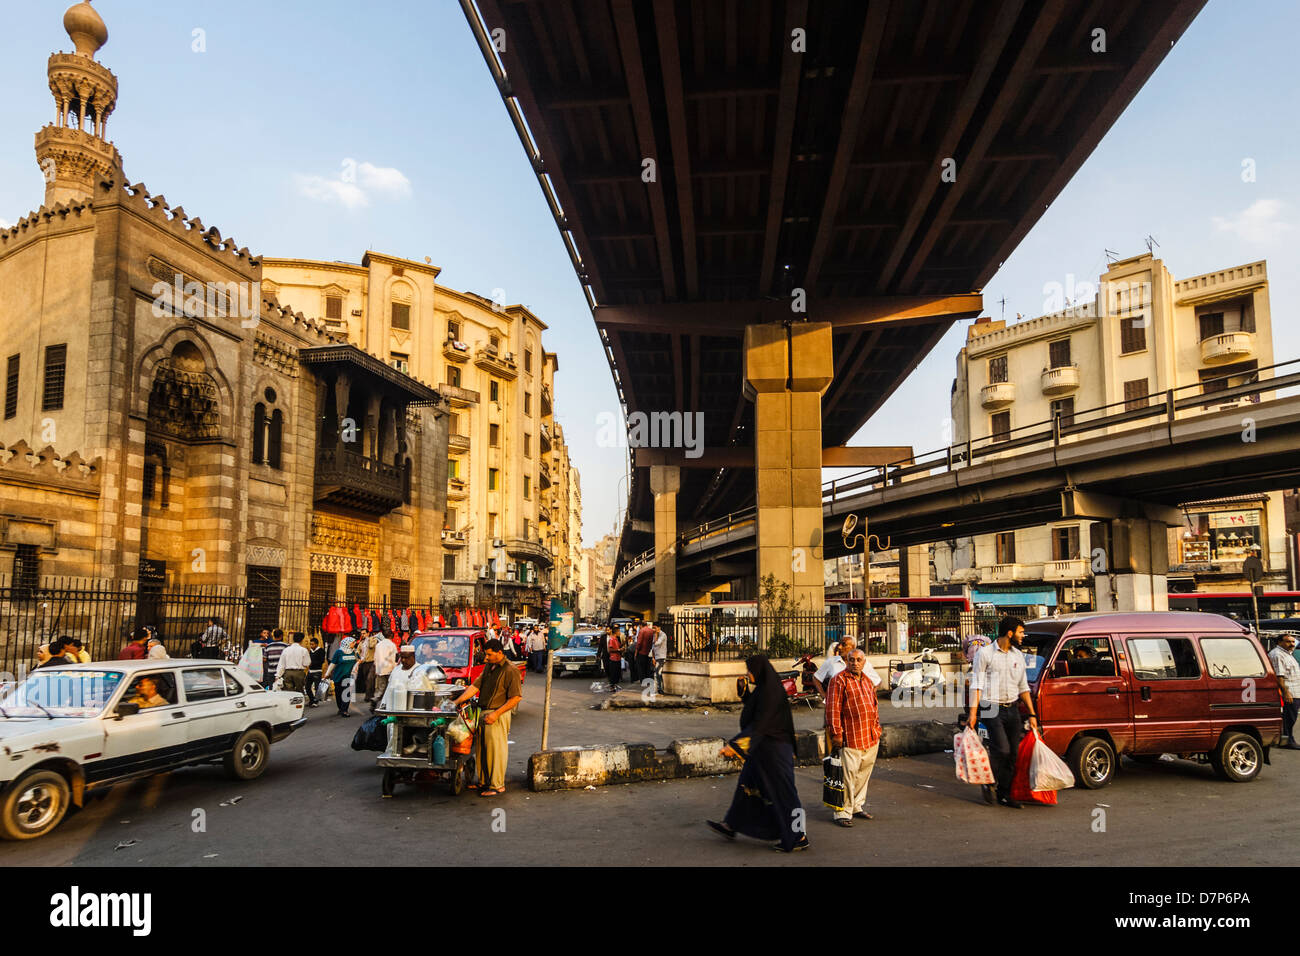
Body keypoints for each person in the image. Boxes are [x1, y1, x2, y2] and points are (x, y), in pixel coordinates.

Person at [706, 655, 808, 852]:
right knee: (746, 786)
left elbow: (760, 725)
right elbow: (756, 712)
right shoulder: (764, 689)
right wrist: (745, 694)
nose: (747, 674)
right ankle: (731, 825)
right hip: (762, 750)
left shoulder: (770, 692)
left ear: (759, 670)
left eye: (749, 670)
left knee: (785, 793)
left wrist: (735, 746)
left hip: (775, 751)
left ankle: (798, 836)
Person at [967, 616, 1039, 809]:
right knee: (1002, 749)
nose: (1023, 636)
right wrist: (973, 714)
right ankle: (989, 781)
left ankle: (1004, 794)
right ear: (1010, 633)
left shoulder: (1018, 656)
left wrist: (1032, 715)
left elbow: (1023, 687)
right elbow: (977, 685)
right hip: (991, 707)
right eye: (1020, 632)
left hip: (1012, 708)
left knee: (1013, 754)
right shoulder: (985, 654)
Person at [454, 639, 523, 797]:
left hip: (497, 714)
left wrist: (496, 714)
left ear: (499, 652)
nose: (486, 657)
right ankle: (484, 782)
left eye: (489, 655)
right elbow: (475, 686)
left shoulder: (510, 670)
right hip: (484, 713)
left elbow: (516, 698)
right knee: (482, 750)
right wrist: (457, 701)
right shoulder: (489, 666)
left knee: (495, 751)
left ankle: (497, 785)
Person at [825, 649, 883, 827]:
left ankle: (857, 806)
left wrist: (877, 728)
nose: (855, 663)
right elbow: (833, 709)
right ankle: (842, 812)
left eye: (858, 660)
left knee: (863, 774)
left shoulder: (866, 679)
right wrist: (836, 733)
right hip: (850, 736)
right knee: (848, 776)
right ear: (847, 661)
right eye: (851, 660)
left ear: (864, 662)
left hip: (870, 735)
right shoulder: (839, 680)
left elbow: (873, 704)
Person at [1268, 634, 1300, 750]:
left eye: (1293, 642)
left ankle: (1287, 739)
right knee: (1288, 718)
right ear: (1279, 642)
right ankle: (1287, 741)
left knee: (1291, 717)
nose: (1292, 644)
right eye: (1288, 642)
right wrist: (1286, 692)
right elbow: (1279, 676)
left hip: (1295, 691)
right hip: (1289, 692)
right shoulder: (1277, 654)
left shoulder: (1287, 654)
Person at [322, 637, 359, 717]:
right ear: (347, 643)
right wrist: (327, 673)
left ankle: (345, 710)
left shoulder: (355, 652)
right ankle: (341, 708)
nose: (354, 644)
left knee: (347, 693)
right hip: (338, 676)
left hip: (349, 676)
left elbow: (358, 660)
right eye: (352, 643)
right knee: (338, 694)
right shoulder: (339, 652)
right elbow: (333, 664)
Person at [372, 630, 397, 713]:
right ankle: (386, 705)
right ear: (391, 636)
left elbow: (375, 657)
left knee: (381, 688)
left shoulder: (379, 645)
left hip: (380, 669)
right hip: (389, 669)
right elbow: (394, 659)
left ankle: (375, 699)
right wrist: (395, 668)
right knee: (390, 687)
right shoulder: (392, 645)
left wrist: (376, 668)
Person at [357, 630, 378, 703]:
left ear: (368, 633)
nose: (363, 635)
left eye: (364, 633)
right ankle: (370, 695)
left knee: (370, 678)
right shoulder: (361, 642)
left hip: (371, 662)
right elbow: (358, 652)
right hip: (364, 663)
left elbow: (371, 646)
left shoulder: (373, 639)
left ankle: (368, 696)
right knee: (367, 679)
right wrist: (358, 659)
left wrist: (368, 639)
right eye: (361, 634)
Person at [306, 637, 327, 707]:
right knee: (307, 687)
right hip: (310, 671)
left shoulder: (321, 650)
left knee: (317, 687)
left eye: (312, 644)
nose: (311, 646)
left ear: (316, 644)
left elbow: (322, 661)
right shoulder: (310, 651)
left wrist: (312, 663)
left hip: (317, 671)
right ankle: (312, 699)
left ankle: (316, 701)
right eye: (310, 644)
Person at [634, 620, 655, 685]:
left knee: (640, 668)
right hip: (648, 651)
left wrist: (636, 652)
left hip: (641, 652)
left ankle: (643, 681)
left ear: (640, 625)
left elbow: (639, 643)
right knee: (647, 667)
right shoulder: (651, 631)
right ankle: (648, 680)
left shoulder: (642, 631)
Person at [603, 625, 623, 692]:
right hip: (613, 659)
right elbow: (610, 650)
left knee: (617, 673)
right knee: (613, 674)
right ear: (616, 632)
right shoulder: (612, 639)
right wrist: (619, 650)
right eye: (619, 631)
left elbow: (619, 647)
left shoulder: (617, 639)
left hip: (618, 658)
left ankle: (615, 686)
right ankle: (612, 687)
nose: (620, 632)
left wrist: (621, 649)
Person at [651, 622, 669, 693]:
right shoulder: (654, 635)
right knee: (657, 673)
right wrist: (653, 658)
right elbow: (653, 647)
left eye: (654, 628)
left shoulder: (663, 635)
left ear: (659, 628)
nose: (653, 629)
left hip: (661, 657)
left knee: (658, 672)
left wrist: (656, 634)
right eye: (653, 628)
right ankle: (659, 689)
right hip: (656, 656)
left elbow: (656, 643)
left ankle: (660, 689)